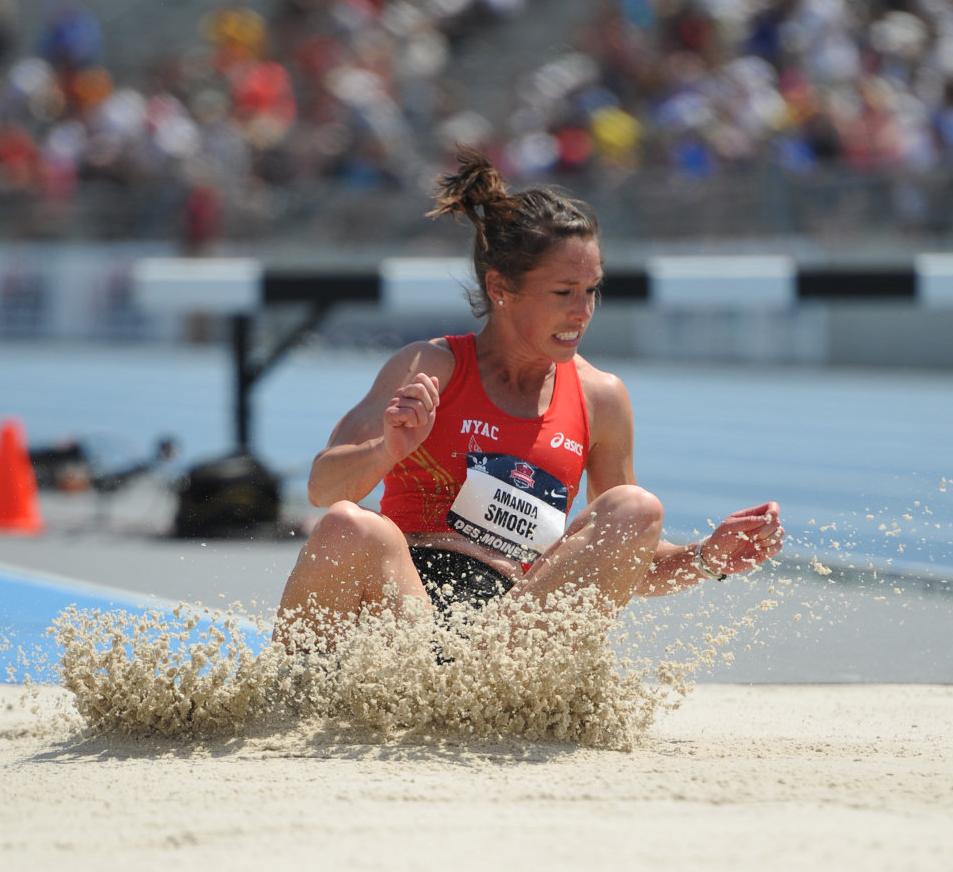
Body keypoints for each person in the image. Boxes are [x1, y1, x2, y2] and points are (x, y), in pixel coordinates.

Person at [274, 148, 784, 640]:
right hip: (407, 612)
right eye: (563, 293)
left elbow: (623, 563)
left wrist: (707, 557)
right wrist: (388, 449)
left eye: (591, 290)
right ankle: (289, 701)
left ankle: (499, 697)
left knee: (637, 508)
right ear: (501, 288)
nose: (582, 312)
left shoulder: (599, 397)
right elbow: (323, 489)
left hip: (510, 632)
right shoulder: (430, 367)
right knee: (348, 524)